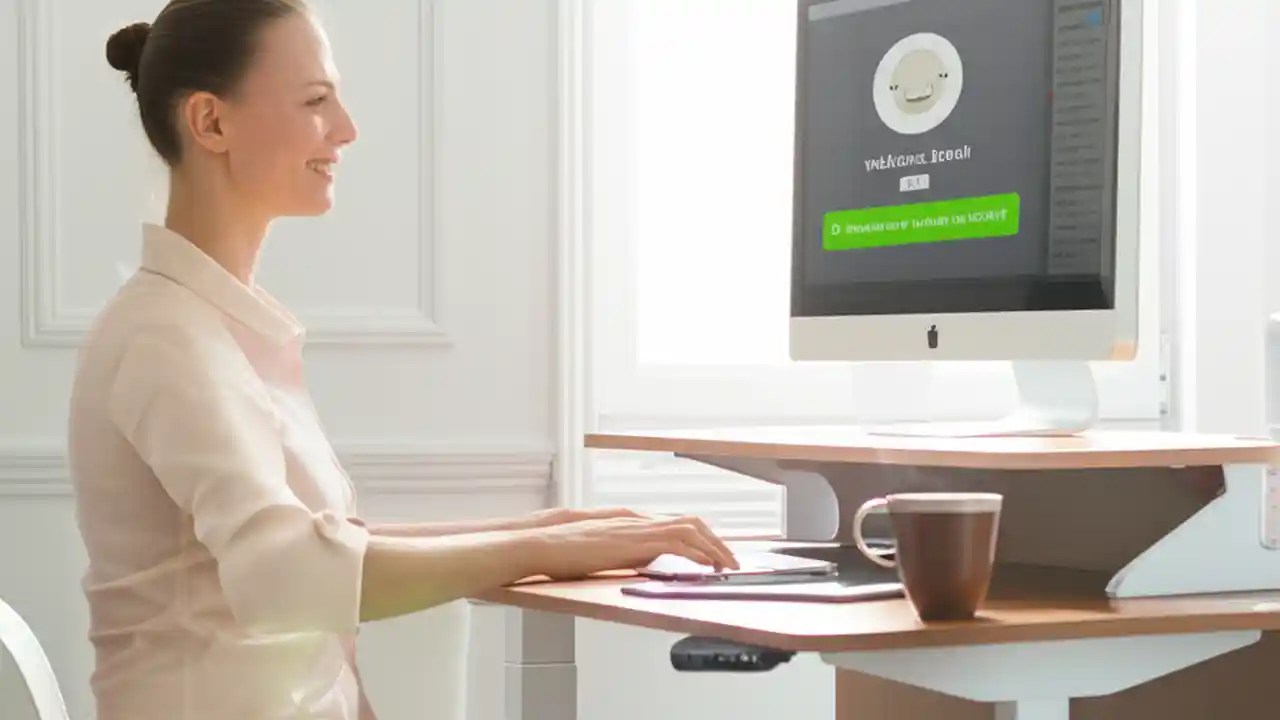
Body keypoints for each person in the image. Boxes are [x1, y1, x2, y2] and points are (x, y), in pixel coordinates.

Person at [66, 1, 739, 718]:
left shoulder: (209, 327)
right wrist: (544, 551)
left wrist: (547, 530)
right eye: (316, 100)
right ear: (211, 123)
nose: (347, 128)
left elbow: (319, 548)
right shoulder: (166, 338)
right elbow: (284, 575)